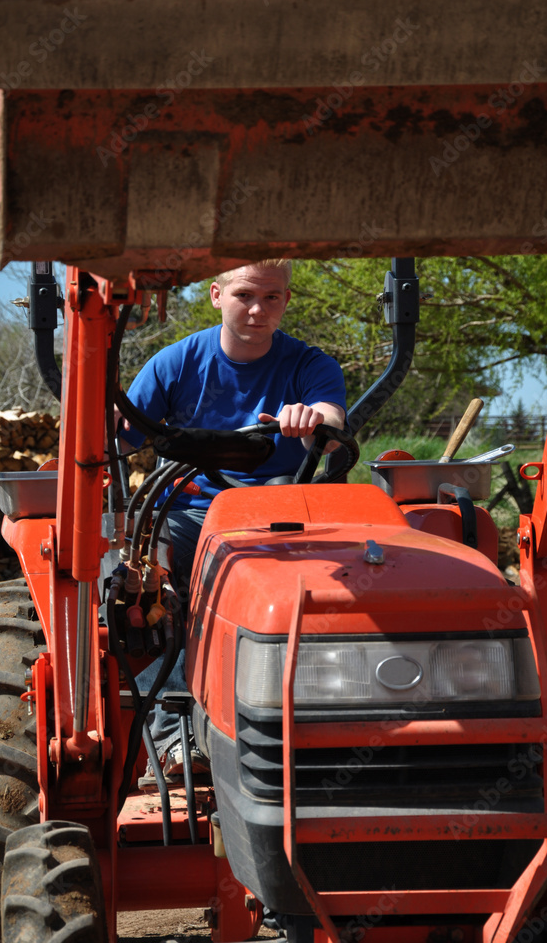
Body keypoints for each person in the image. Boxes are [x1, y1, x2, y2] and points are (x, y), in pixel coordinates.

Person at [123, 259, 347, 784]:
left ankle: (311, 723)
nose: (257, 309)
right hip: (187, 511)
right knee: (148, 586)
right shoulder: (176, 364)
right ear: (217, 295)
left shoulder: (309, 365)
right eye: (245, 294)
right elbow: (119, 436)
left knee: (328, 590)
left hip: (274, 515)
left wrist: (313, 420)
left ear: (286, 303)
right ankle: (175, 735)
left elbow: (333, 421)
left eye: (272, 298)